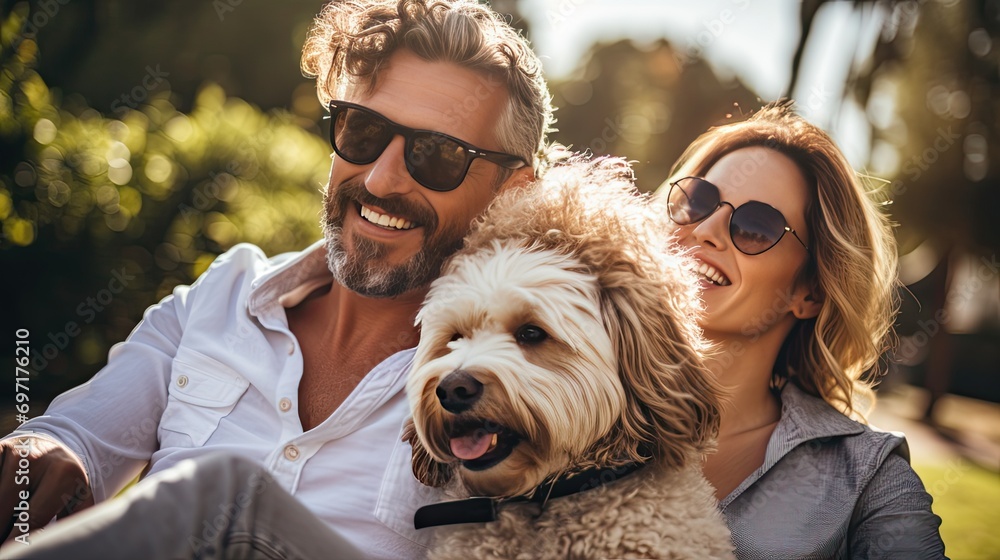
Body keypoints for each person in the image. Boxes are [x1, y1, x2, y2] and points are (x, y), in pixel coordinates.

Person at [0, 0, 552, 557]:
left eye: (438, 155)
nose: (382, 180)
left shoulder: (522, 383)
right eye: (363, 130)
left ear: (513, 192)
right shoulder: (224, 296)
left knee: (223, 497)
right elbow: (80, 439)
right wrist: (42, 448)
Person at [656, 103, 946, 558]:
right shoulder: (557, 388)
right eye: (697, 199)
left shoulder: (866, 479)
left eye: (755, 226)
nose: (706, 229)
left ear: (808, 292)